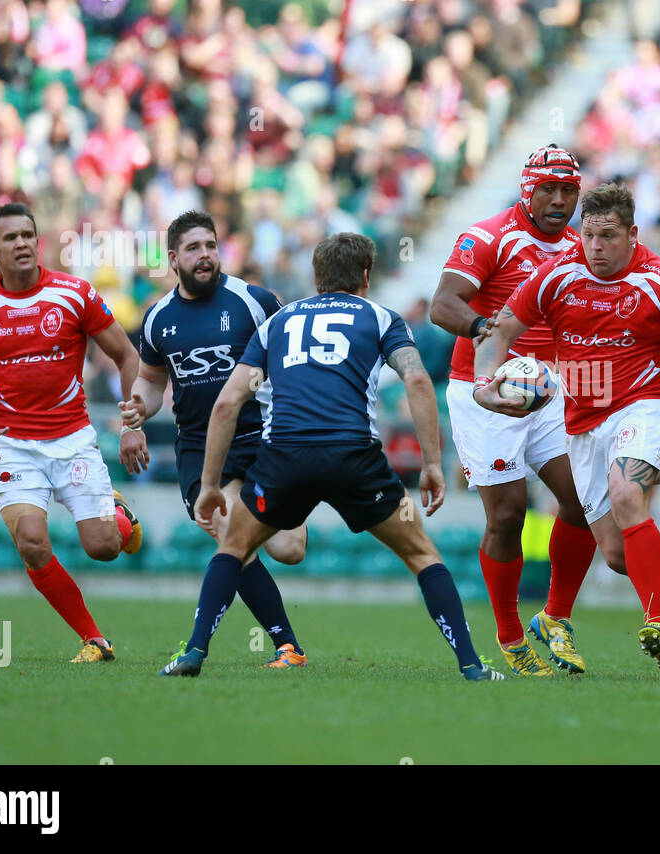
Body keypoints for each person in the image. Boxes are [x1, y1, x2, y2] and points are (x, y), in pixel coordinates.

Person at [160, 232, 503, 681]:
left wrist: (208, 486)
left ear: (316, 276)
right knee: (422, 555)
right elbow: (418, 382)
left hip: (284, 459)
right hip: (354, 459)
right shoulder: (381, 318)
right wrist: (433, 464)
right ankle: (472, 666)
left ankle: (193, 653)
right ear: (365, 274)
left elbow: (226, 404)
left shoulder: (277, 322)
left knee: (233, 548)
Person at [474, 182, 660, 669]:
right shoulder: (558, 273)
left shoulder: (658, 279)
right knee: (615, 553)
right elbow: (501, 329)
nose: (595, 247)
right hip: (582, 422)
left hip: (644, 405)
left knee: (626, 493)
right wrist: (483, 384)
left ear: (632, 234)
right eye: (589, 235)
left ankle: (656, 620)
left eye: (608, 236)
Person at [429, 144, 597, 676]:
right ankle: (508, 636)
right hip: (485, 388)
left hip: (548, 388)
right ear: (527, 188)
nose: (558, 199)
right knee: (507, 515)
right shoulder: (488, 236)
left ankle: (555, 617)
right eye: (547, 188)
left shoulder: (580, 246)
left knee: (586, 501)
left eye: (568, 190)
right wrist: (490, 330)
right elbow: (442, 305)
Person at [120, 210, 310, 669]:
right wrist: (137, 410)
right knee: (232, 538)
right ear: (173, 258)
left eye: (210, 245)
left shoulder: (256, 301)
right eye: (193, 248)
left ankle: (257, 642)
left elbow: (295, 363)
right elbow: (150, 382)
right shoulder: (157, 319)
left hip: (262, 439)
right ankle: (286, 646)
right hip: (201, 450)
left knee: (289, 549)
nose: (205, 256)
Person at [0, 202, 144, 663]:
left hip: (73, 439)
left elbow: (127, 356)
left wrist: (130, 424)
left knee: (103, 548)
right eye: (10, 238)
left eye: (27, 235)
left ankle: (118, 515)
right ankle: (94, 639)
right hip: (14, 447)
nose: (21, 243)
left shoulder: (74, 293)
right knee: (32, 543)